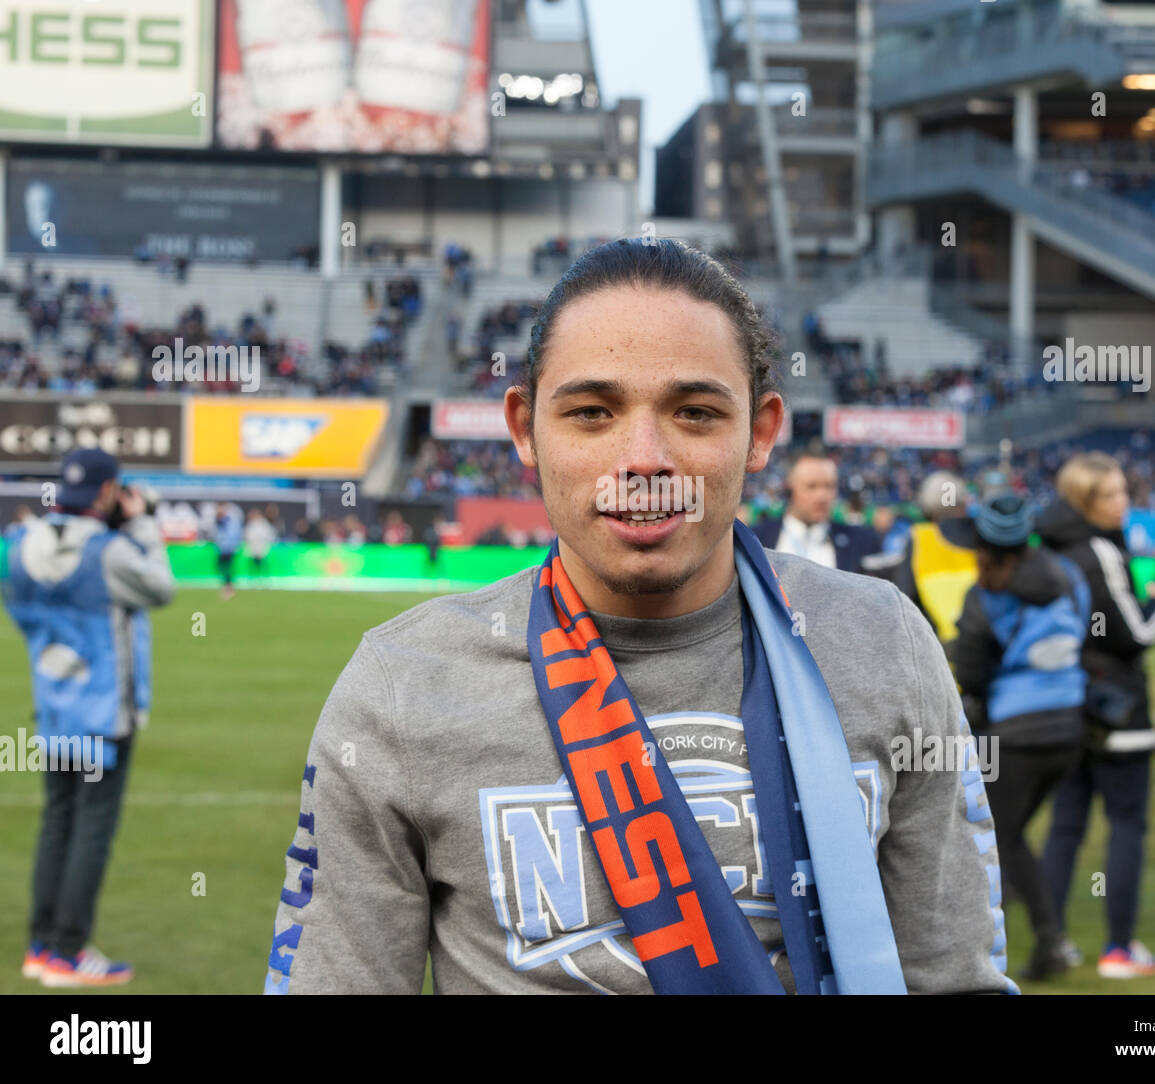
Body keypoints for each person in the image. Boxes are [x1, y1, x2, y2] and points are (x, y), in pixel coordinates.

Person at [264, 238, 1013, 995]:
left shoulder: (882, 640)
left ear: (760, 433)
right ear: (525, 428)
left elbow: (954, 979)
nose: (644, 458)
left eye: (694, 413)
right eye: (592, 412)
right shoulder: (401, 687)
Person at [3, 449, 175, 986]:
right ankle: (68, 951)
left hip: (54, 701)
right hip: (103, 712)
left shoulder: (21, 545)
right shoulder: (110, 552)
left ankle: (41, 943)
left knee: (57, 822)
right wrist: (142, 522)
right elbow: (161, 588)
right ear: (106, 491)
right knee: (91, 829)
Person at [1035, 452, 1155, 979]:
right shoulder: (1098, 551)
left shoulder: (1052, 548)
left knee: (1066, 827)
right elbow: (1134, 635)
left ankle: (1053, 943)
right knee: (1126, 826)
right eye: (1111, 494)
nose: (1124, 503)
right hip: (1116, 712)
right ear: (1084, 502)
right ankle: (1119, 949)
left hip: (1068, 703)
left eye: (1124, 491)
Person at [947, 492, 1089, 981]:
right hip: (1070, 725)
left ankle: (1046, 942)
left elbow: (972, 672)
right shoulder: (1067, 576)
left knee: (1002, 839)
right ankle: (1049, 940)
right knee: (1013, 838)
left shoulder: (984, 594)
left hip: (1015, 732)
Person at [864, 469, 977, 644]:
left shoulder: (920, 538)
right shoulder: (983, 538)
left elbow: (904, 598)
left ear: (928, 509)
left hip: (940, 650)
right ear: (964, 506)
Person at [751, 451, 882, 573]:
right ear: (790, 487)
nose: (822, 496)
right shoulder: (755, 540)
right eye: (812, 486)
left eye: (829, 486)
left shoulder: (863, 542)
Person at [213, 503, 242, 599]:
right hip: (222, 548)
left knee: (227, 567)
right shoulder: (219, 522)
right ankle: (227, 585)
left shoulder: (229, 521)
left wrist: (234, 545)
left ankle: (229, 586)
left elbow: (234, 534)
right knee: (221, 567)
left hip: (229, 548)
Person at [243, 509, 278, 581]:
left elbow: (270, 535)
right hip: (253, 548)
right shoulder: (251, 524)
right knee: (253, 564)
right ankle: (252, 579)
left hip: (261, 547)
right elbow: (247, 536)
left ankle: (265, 579)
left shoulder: (264, 524)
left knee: (263, 564)